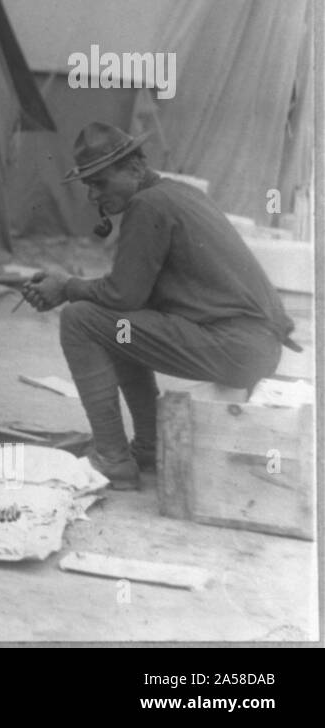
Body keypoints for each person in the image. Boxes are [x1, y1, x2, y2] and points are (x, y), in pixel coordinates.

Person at [21, 122, 297, 489]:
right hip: (252, 344)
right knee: (111, 324)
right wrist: (74, 286)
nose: (93, 196)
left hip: (237, 346)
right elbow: (132, 297)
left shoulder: (147, 204)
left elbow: (123, 295)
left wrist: (66, 287)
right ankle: (150, 447)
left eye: (100, 182)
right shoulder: (176, 194)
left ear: (135, 169)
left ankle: (112, 457)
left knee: (79, 319)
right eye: (89, 185)